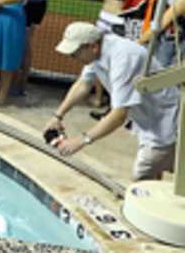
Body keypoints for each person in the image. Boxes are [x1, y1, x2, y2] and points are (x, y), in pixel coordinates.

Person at [48, 22, 179, 181]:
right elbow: (83, 84)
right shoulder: (96, 53)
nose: (72, 57)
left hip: (168, 122)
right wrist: (58, 116)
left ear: (93, 47)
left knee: (141, 178)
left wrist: (82, 140)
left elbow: (119, 115)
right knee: (153, 175)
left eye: (75, 53)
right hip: (150, 120)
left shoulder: (123, 58)